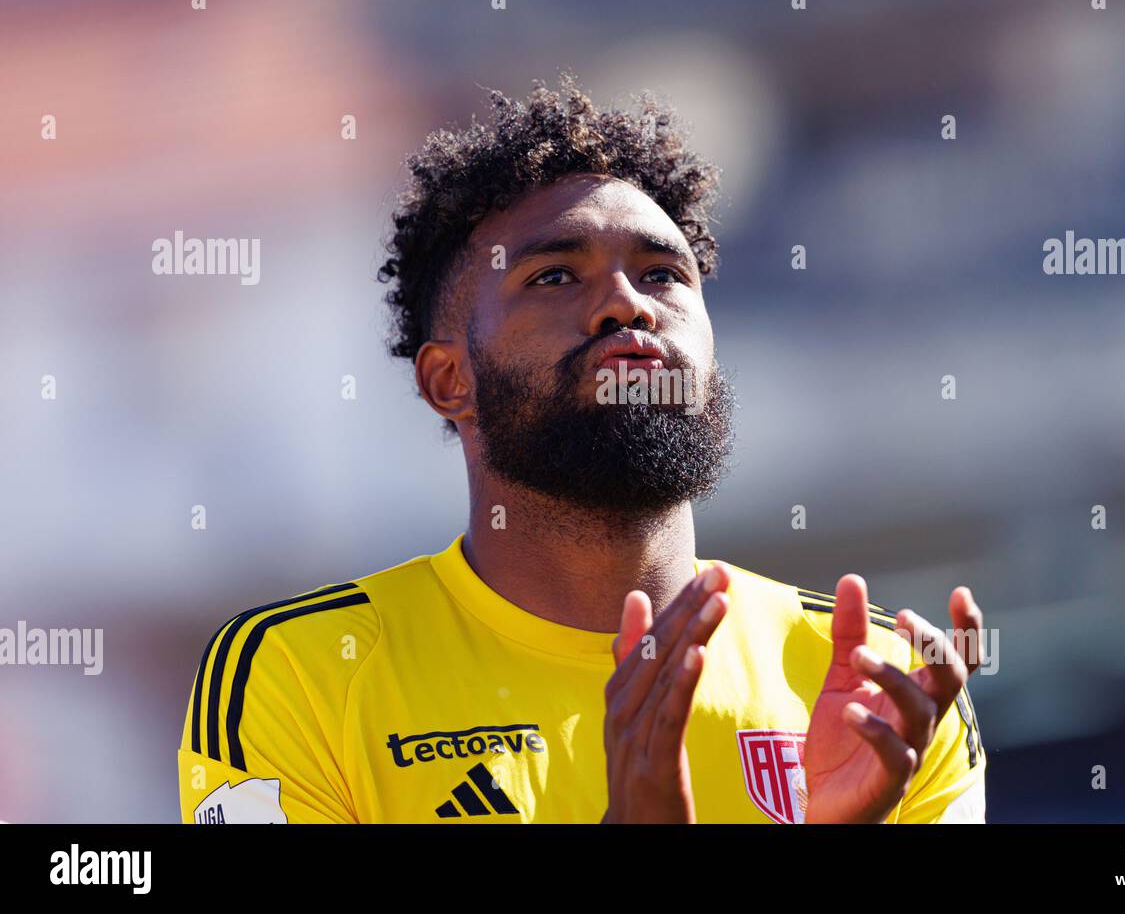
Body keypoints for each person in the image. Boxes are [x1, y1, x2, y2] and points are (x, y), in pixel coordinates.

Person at [178, 72, 987, 824]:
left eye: (664, 274)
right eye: (556, 277)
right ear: (448, 379)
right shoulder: (297, 673)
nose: (625, 305)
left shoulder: (881, 686)